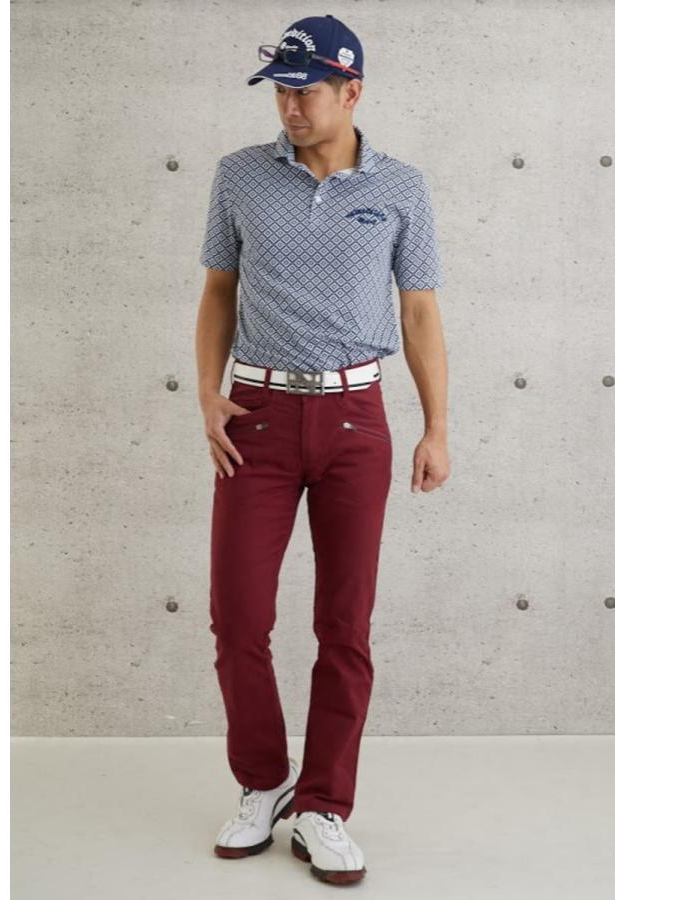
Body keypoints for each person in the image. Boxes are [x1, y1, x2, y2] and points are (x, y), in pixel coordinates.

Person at [196, 13, 450, 885]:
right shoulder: (239, 176)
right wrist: (207, 393)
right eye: (281, 90)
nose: (290, 107)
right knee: (238, 616)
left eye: (306, 91)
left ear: (352, 91)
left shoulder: (403, 188)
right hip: (257, 417)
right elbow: (218, 291)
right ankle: (263, 781)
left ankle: (324, 806)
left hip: (355, 421)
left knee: (344, 625)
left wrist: (436, 427)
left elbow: (419, 310)